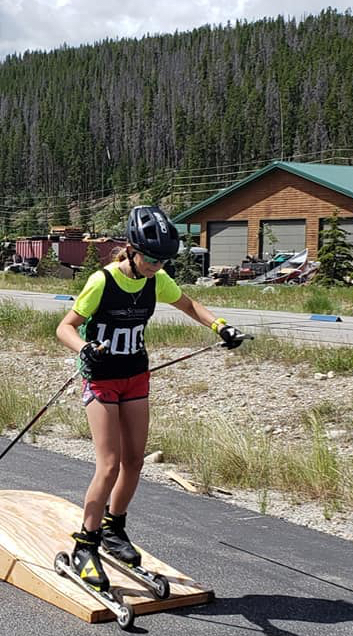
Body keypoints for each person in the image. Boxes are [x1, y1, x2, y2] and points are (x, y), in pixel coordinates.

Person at [55, 205, 246, 592]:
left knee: (135, 462)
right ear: (131, 249)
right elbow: (66, 327)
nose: (157, 267)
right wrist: (83, 348)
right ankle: (85, 545)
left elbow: (189, 303)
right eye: (151, 259)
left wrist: (220, 326)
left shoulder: (155, 281)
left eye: (164, 261)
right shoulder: (101, 281)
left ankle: (113, 528)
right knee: (108, 466)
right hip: (102, 380)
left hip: (136, 378)